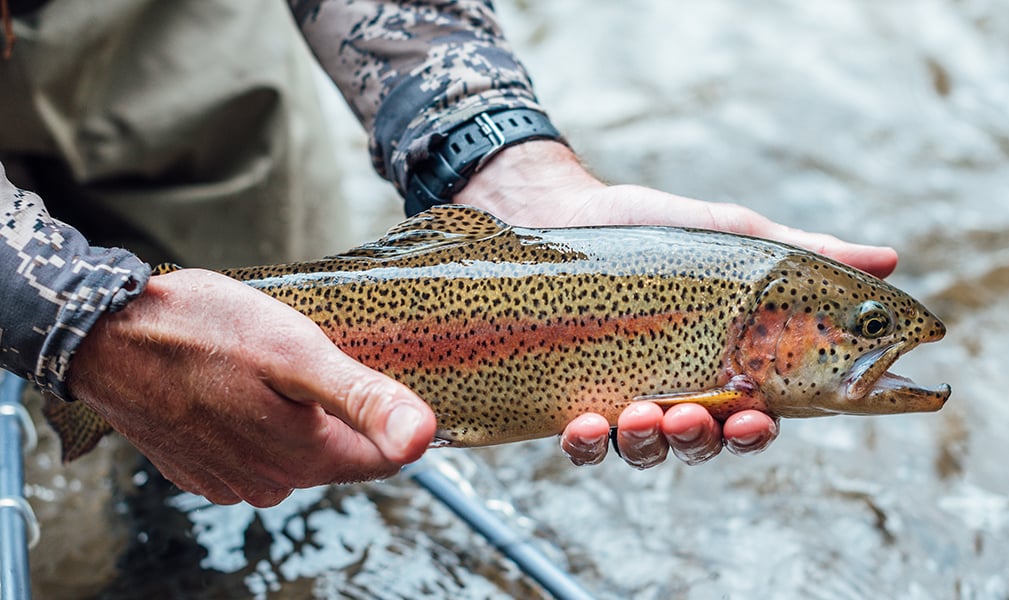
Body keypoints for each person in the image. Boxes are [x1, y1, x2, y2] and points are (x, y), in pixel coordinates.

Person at [0, 1, 898, 508]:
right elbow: (78, 316)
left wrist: (486, 152)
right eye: (859, 327)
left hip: (143, 44)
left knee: (243, 420)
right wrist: (80, 321)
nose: (867, 340)